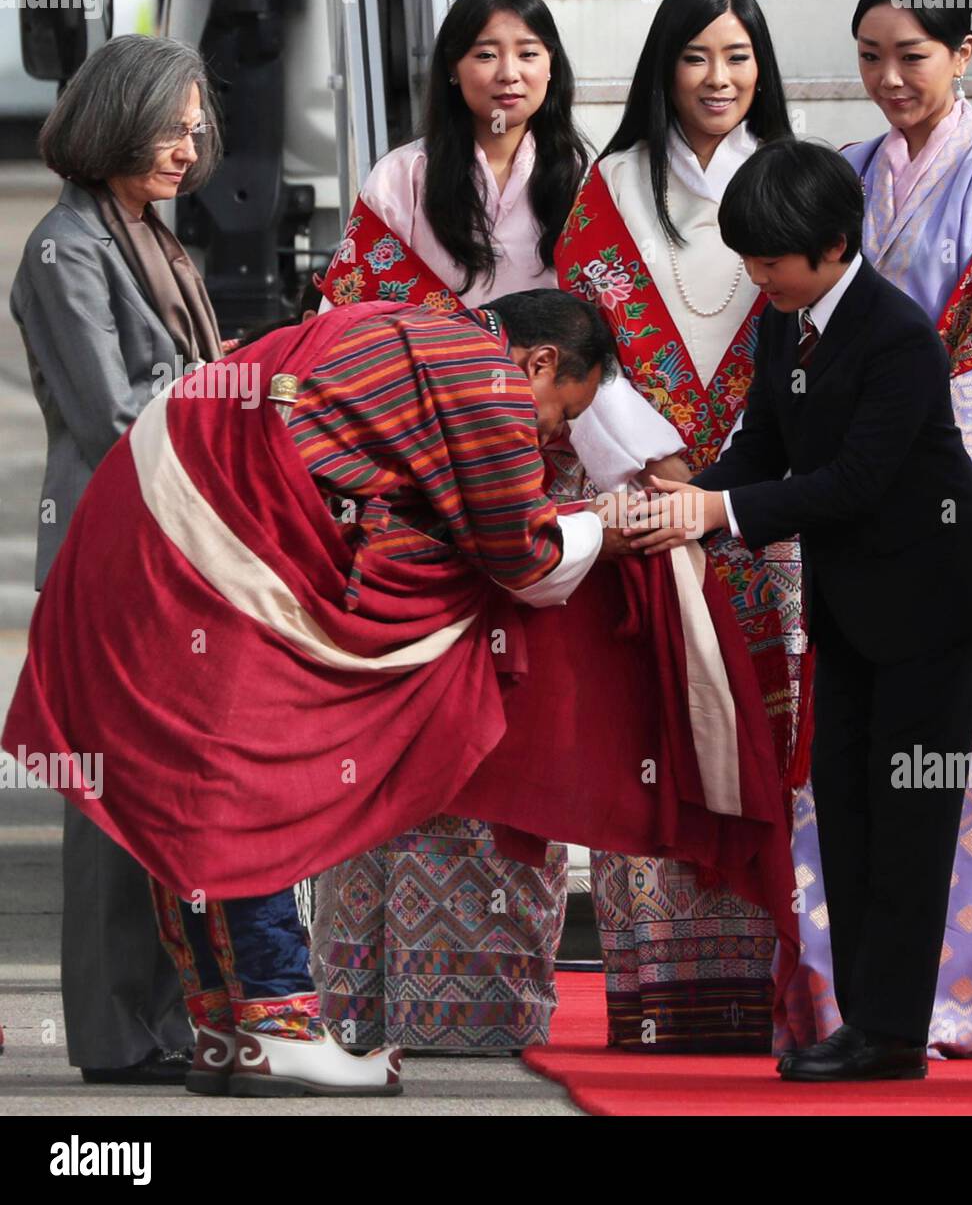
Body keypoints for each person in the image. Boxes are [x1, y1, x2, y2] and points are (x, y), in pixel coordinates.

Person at [3, 290, 800, 1096]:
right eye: (562, 414)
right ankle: (275, 1017)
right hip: (214, 531)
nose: (553, 436)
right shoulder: (485, 378)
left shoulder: (406, 323)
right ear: (539, 362)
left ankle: (228, 1025)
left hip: (146, 515)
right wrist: (604, 523)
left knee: (198, 777)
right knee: (250, 777)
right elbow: (519, 557)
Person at [632, 139, 972, 1081]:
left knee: (910, 815)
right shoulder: (784, 323)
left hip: (933, 601)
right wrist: (674, 509)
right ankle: (861, 1021)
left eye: (773, 260)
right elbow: (761, 449)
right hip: (853, 601)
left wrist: (713, 510)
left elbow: (850, 482)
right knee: (845, 806)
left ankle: (891, 1030)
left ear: (836, 245)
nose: (759, 277)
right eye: (751, 260)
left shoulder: (897, 335)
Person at [312, 0, 589, 1054]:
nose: (506, 72)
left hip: (541, 483)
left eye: (527, 52)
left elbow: (608, 347)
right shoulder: (402, 180)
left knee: (514, 738)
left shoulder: (588, 184)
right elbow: (355, 330)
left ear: (552, 68)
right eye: (484, 52)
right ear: (450, 70)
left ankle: (486, 1000)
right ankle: (371, 987)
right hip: (416, 491)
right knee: (396, 734)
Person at [778, 0, 972, 1057]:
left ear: (964, 55)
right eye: (870, 56)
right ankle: (858, 999)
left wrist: (880, 445)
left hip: (936, 501)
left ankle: (961, 997)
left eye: (913, 56)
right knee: (840, 770)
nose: (889, 78)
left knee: (952, 771)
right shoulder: (846, 170)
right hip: (848, 506)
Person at [557, 0, 799, 1053]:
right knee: (653, 728)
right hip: (647, 507)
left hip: (756, 513)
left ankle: (763, 990)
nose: (719, 78)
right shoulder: (608, 189)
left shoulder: (794, 183)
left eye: (739, 56)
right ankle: (655, 996)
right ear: (664, 68)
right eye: (697, 57)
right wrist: (652, 465)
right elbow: (578, 346)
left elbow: (815, 334)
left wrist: (730, 486)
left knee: (764, 729)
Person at [10, 32, 223, 1085]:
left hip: (166, 545)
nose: (188, 146)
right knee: (104, 805)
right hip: (106, 547)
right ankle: (113, 1033)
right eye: (170, 126)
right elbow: (109, 411)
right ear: (113, 117)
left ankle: (165, 1019)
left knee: (158, 796)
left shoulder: (151, 236)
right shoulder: (65, 245)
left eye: (194, 128)